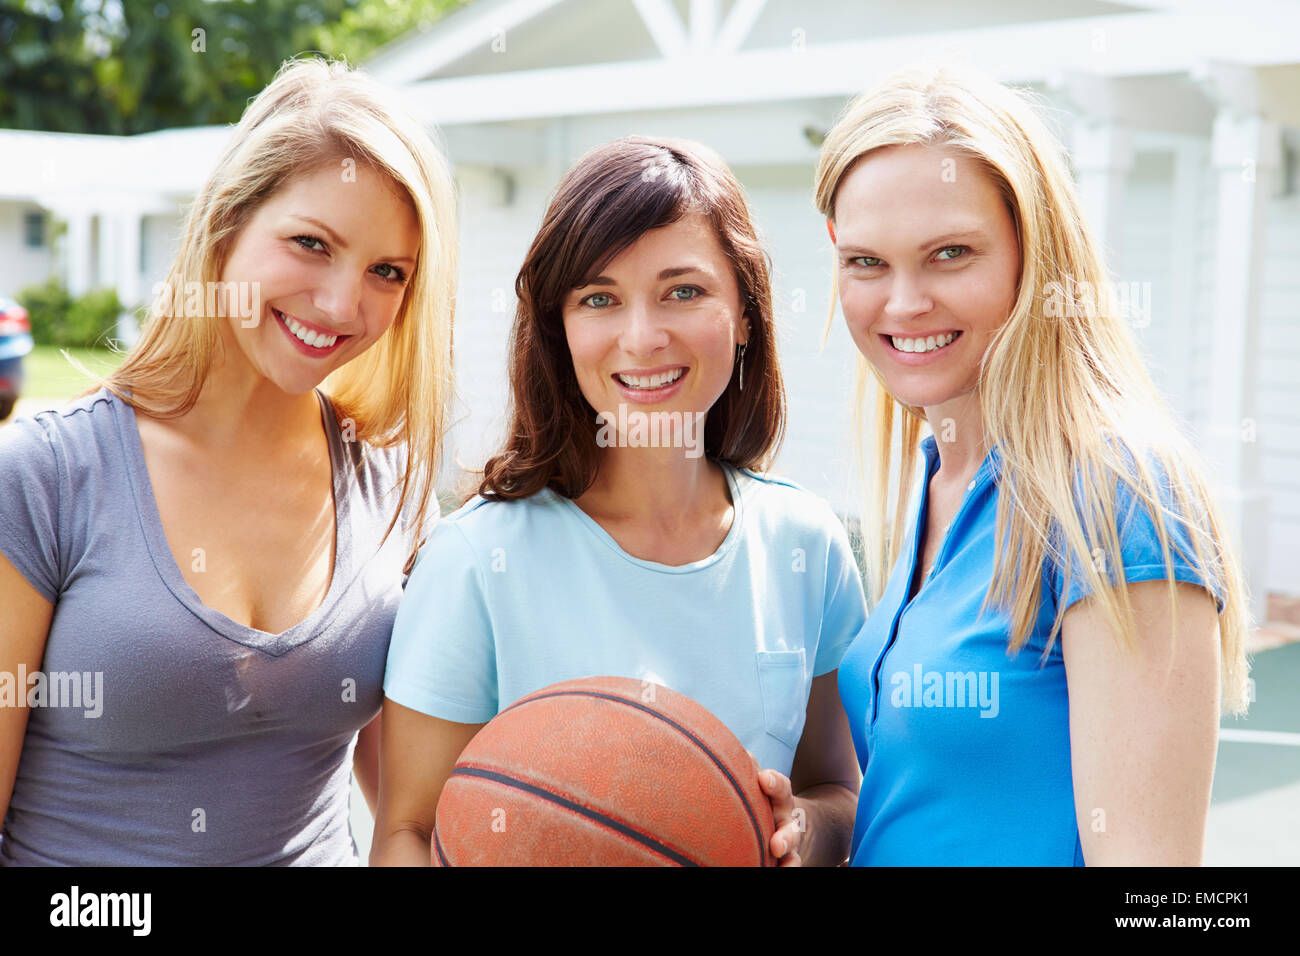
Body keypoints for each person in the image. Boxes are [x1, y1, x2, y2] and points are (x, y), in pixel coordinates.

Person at [0, 57, 457, 865]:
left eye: (388, 272)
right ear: (225, 225)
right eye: (311, 243)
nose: (343, 304)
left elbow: (418, 817)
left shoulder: (393, 492)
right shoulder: (44, 476)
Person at [372, 135, 865, 867]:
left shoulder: (805, 542)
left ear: (746, 316)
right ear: (559, 330)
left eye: (684, 291)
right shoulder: (476, 559)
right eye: (599, 299)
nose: (642, 337)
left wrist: (802, 831)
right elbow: (407, 833)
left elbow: (838, 788)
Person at [813, 64, 1252, 866]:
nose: (903, 303)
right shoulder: (938, 478)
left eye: (950, 253)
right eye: (867, 263)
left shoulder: (1115, 487)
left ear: (1035, 255)